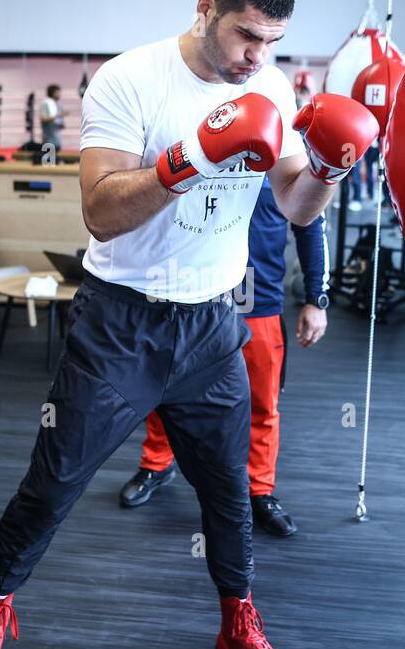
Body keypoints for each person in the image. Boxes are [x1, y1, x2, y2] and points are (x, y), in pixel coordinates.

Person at [0, 0, 378, 649]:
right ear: (204, 6)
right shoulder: (129, 79)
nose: (259, 58)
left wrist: (331, 166)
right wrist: (191, 158)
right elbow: (101, 211)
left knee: (228, 494)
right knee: (53, 483)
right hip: (121, 324)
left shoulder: (271, 85)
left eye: (272, 43)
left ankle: (237, 627)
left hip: (213, 325)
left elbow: (294, 204)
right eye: (247, 37)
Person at [117, 176, 329, 537]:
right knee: (165, 391)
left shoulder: (286, 160)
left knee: (262, 403)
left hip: (258, 303)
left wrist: (315, 298)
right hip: (193, 299)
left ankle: (259, 490)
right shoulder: (201, 147)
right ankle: (157, 463)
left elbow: (311, 225)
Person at [39, 84, 63, 155]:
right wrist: (57, 115)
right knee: (49, 164)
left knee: (55, 163)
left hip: (56, 140)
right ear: (53, 93)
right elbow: (43, 119)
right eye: (58, 92)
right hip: (49, 140)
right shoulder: (46, 103)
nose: (59, 94)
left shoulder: (57, 105)